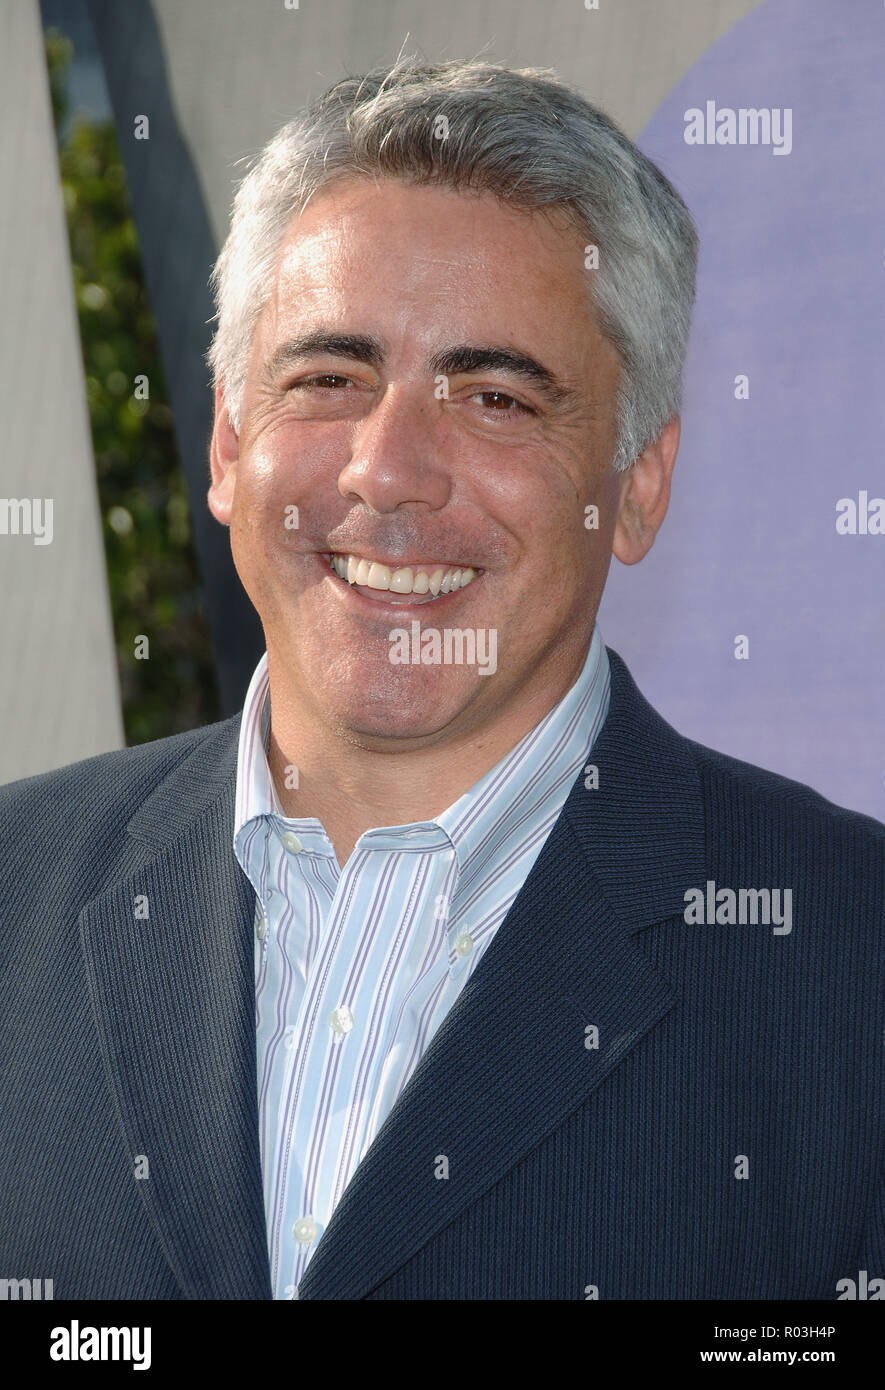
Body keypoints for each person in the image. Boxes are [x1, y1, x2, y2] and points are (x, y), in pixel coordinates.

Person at [1, 57, 882, 1302]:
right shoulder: (12, 898)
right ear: (227, 444)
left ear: (637, 485)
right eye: (329, 377)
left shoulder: (855, 966)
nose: (391, 469)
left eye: (497, 395)